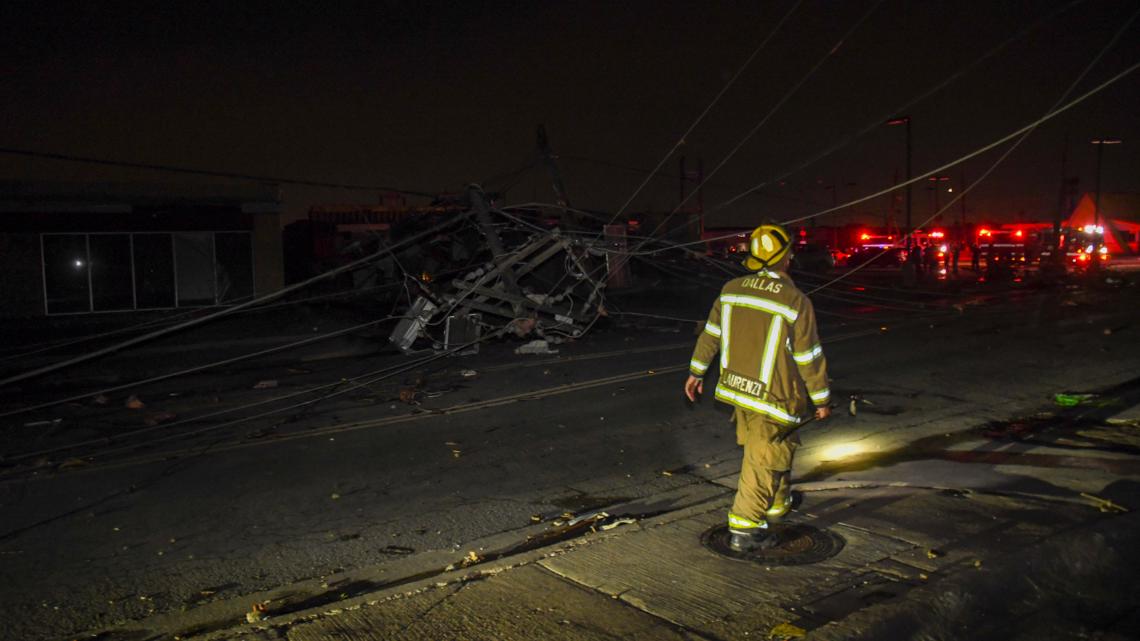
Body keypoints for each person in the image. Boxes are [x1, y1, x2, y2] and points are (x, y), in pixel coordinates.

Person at [684, 223, 831, 552]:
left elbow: (711, 335)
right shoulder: (796, 301)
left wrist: (696, 372)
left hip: (739, 391)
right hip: (776, 396)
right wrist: (821, 399)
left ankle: (778, 504)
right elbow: (809, 356)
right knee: (764, 457)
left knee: (775, 449)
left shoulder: (731, 289)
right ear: (786, 259)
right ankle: (746, 526)